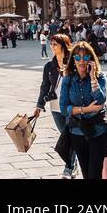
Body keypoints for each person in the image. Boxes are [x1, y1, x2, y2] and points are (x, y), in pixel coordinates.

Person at [58, 41, 107, 180]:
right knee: (86, 173)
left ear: (91, 59)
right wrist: (86, 109)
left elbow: (100, 100)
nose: (82, 61)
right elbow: (63, 108)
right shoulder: (68, 79)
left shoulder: (100, 77)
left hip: (97, 131)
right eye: (78, 57)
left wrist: (92, 77)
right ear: (73, 60)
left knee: (94, 174)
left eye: (86, 57)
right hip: (77, 132)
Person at [32, 34, 77, 179]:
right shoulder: (49, 66)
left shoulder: (73, 63)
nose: (52, 47)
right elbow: (45, 86)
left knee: (69, 137)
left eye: (55, 44)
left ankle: (69, 168)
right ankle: (73, 165)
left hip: (71, 106)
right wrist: (39, 105)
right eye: (51, 44)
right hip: (55, 107)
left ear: (63, 46)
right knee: (66, 136)